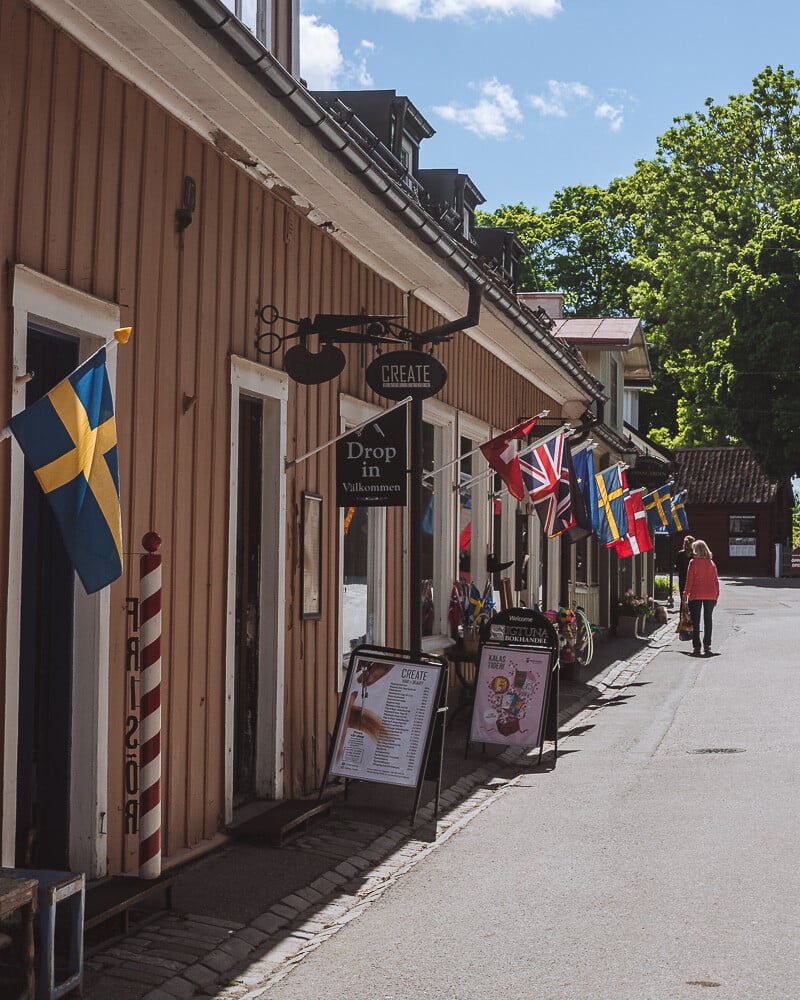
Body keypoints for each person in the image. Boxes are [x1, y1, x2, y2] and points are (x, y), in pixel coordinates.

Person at [682, 539, 720, 656]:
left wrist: (685, 595)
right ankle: (707, 645)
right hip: (710, 594)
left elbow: (689, 580)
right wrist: (716, 596)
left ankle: (697, 646)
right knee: (708, 619)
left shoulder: (693, 563)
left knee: (696, 620)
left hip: (696, 594)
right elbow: (716, 581)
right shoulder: (711, 563)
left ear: (696, 550)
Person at [675, 534, 695, 599]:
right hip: (692, 577)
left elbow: (677, 565)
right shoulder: (694, 554)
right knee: (692, 596)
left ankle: (683, 605)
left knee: (683, 594)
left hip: (682, 577)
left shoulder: (680, 553)